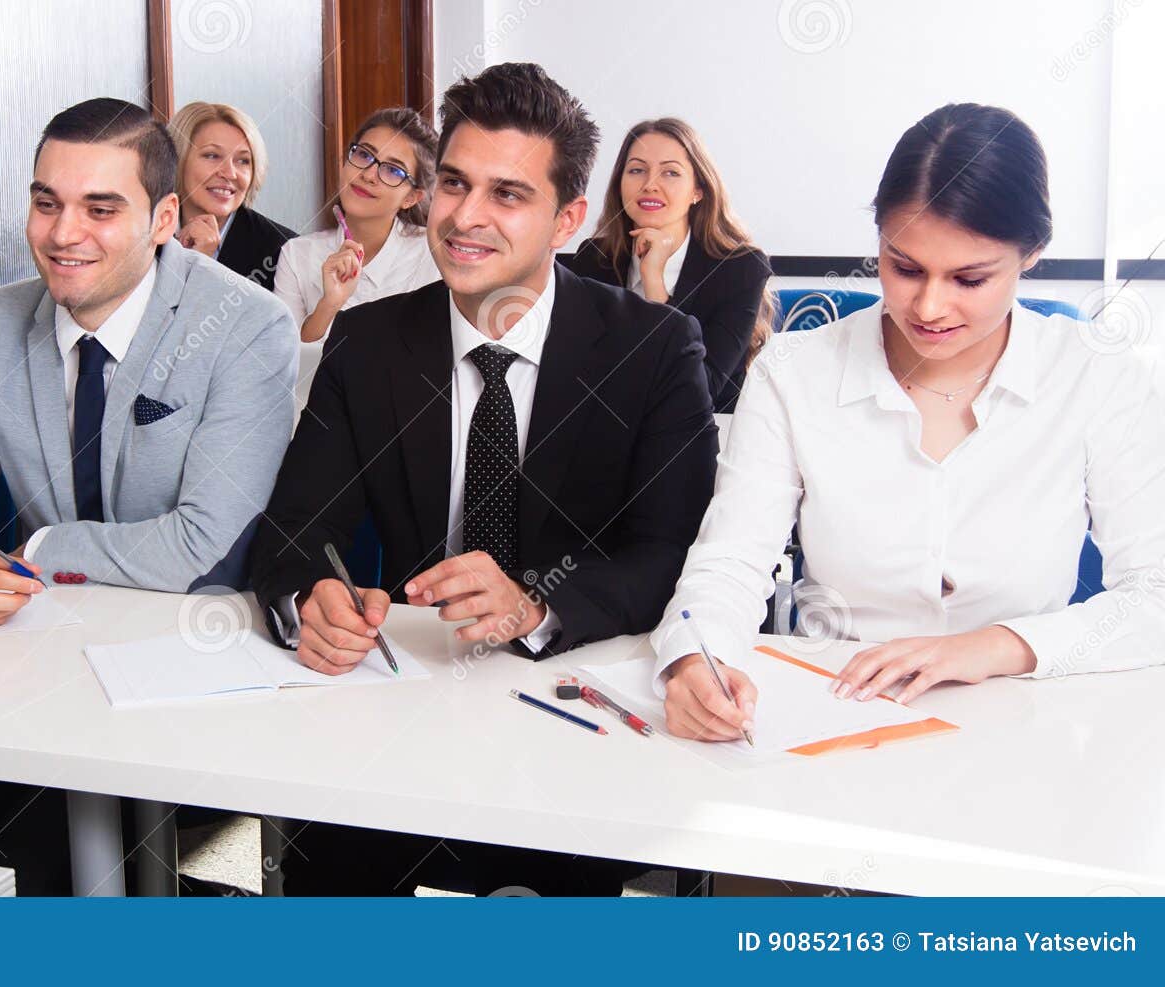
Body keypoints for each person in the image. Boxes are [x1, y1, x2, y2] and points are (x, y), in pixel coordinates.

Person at [248, 63, 718, 894]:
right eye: (454, 184)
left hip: (574, 715)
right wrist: (306, 598)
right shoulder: (368, 342)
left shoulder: (655, 349)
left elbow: (669, 554)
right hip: (403, 708)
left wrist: (539, 606)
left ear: (568, 218)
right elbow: (294, 530)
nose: (464, 218)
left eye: (507, 194)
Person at [653, 103, 1165, 743]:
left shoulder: (1098, 375)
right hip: (831, 717)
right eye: (905, 268)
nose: (928, 307)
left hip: (1028, 724)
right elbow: (729, 562)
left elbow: (1155, 596)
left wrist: (994, 647)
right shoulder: (794, 371)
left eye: (970, 279)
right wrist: (694, 660)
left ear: (1031, 253)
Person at [0, 97, 296, 628]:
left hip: (193, 640)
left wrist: (41, 548)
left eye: (100, 210)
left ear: (164, 219)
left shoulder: (249, 325)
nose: (62, 235)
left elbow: (205, 548)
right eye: (47, 204)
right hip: (37, 637)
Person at [565, 118, 773, 413]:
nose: (650, 185)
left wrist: (654, 283)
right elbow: (576, 372)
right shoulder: (593, 259)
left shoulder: (740, 270)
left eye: (671, 173)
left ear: (697, 190)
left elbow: (702, 390)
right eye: (636, 170)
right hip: (610, 433)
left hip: (703, 437)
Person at [272, 107, 442, 404]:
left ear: (412, 197)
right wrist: (330, 304)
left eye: (393, 170)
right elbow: (285, 365)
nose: (369, 174)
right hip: (315, 419)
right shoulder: (297, 255)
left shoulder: (434, 256)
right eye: (364, 155)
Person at [166, 101, 295, 290]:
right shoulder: (145, 235)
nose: (230, 173)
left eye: (243, 160)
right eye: (212, 156)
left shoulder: (282, 252)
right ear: (178, 159)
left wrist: (202, 266)